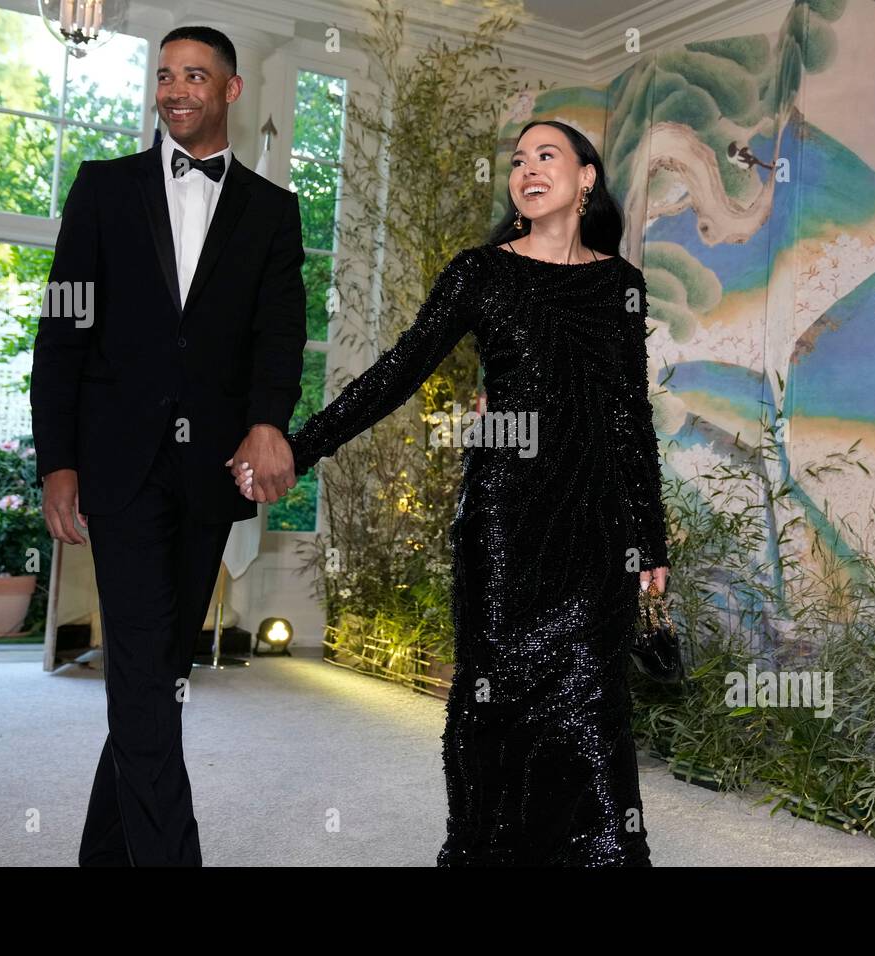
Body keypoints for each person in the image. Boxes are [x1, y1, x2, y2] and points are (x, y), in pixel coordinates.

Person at [229, 119, 671, 865]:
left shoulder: (621, 286)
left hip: (596, 532)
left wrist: (649, 538)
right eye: (518, 160)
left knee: (595, 711)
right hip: (506, 526)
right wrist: (300, 447)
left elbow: (631, 419)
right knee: (492, 703)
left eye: (547, 156)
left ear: (587, 177)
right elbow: (396, 373)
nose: (527, 170)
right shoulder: (480, 273)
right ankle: (484, 852)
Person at [30, 25, 307, 866]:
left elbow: (280, 335)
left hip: (211, 470)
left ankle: (103, 854)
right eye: (163, 76)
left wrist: (269, 418)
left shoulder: (272, 211)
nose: (175, 89)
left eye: (194, 75)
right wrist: (58, 461)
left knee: (157, 675)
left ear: (230, 90)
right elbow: (64, 329)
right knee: (147, 677)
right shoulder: (103, 190)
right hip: (117, 465)